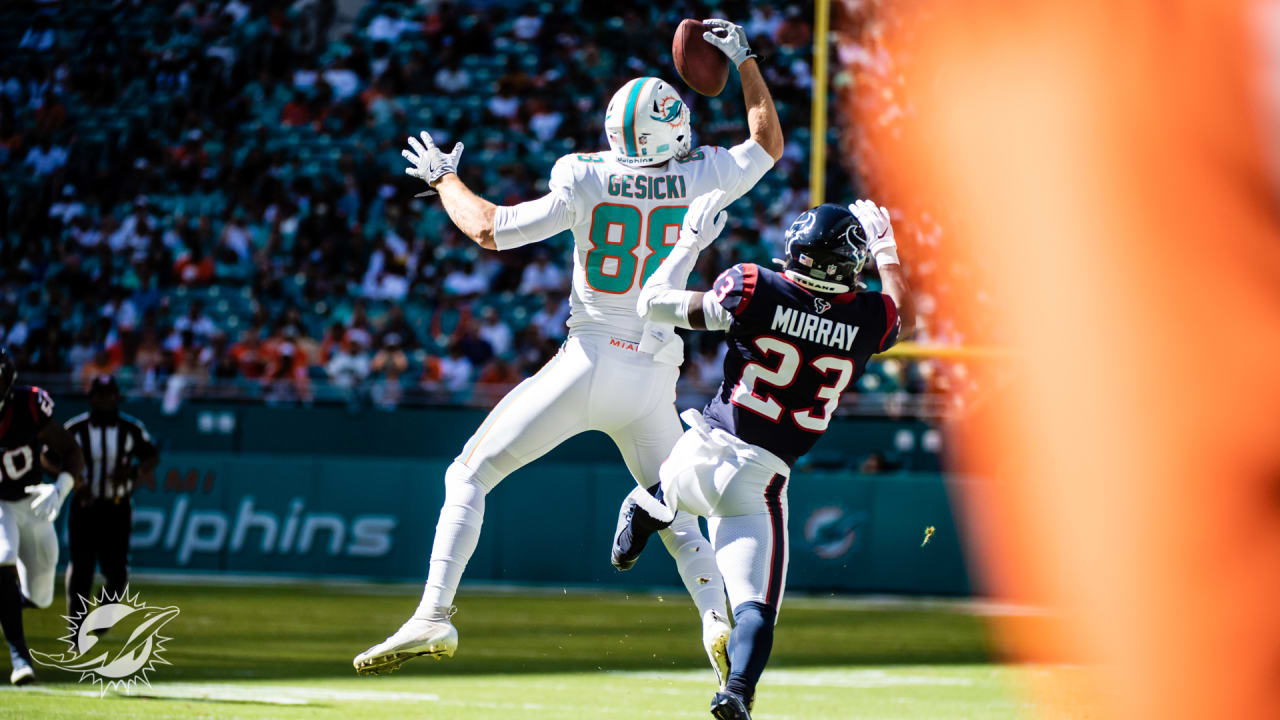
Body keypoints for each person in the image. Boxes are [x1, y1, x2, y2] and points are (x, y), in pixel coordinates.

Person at [354, 18, 783, 684]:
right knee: (663, 504)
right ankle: (715, 618)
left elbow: (490, 230)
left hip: (587, 359)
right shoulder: (704, 176)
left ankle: (435, 613)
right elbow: (765, 141)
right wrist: (745, 59)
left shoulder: (583, 177)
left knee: (468, 476)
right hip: (653, 372)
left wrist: (443, 180)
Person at [612, 196, 914, 719]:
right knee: (755, 606)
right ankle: (736, 694)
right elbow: (898, 314)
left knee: (676, 489)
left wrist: (689, 243)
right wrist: (887, 253)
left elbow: (654, 304)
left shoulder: (754, 285)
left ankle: (651, 505)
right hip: (759, 480)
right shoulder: (869, 318)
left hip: (698, 450)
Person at [0, 348, 86, 686]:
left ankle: (5, 602)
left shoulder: (29, 405)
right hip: (1, 504)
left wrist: (61, 487)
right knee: (3, 557)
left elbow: (71, 451)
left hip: (33, 502)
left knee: (40, 597)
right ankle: (20, 656)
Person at [62, 375, 158, 631]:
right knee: (82, 570)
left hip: (116, 507)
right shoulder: (75, 428)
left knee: (117, 573)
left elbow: (151, 456)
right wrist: (74, 481)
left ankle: (100, 623)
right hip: (85, 507)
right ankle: (77, 631)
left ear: (117, 397)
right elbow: (48, 458)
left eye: (109, 395)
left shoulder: (131, 429)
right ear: (91, 397)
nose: (105, 401)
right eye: (100, 395)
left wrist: (133, 472)